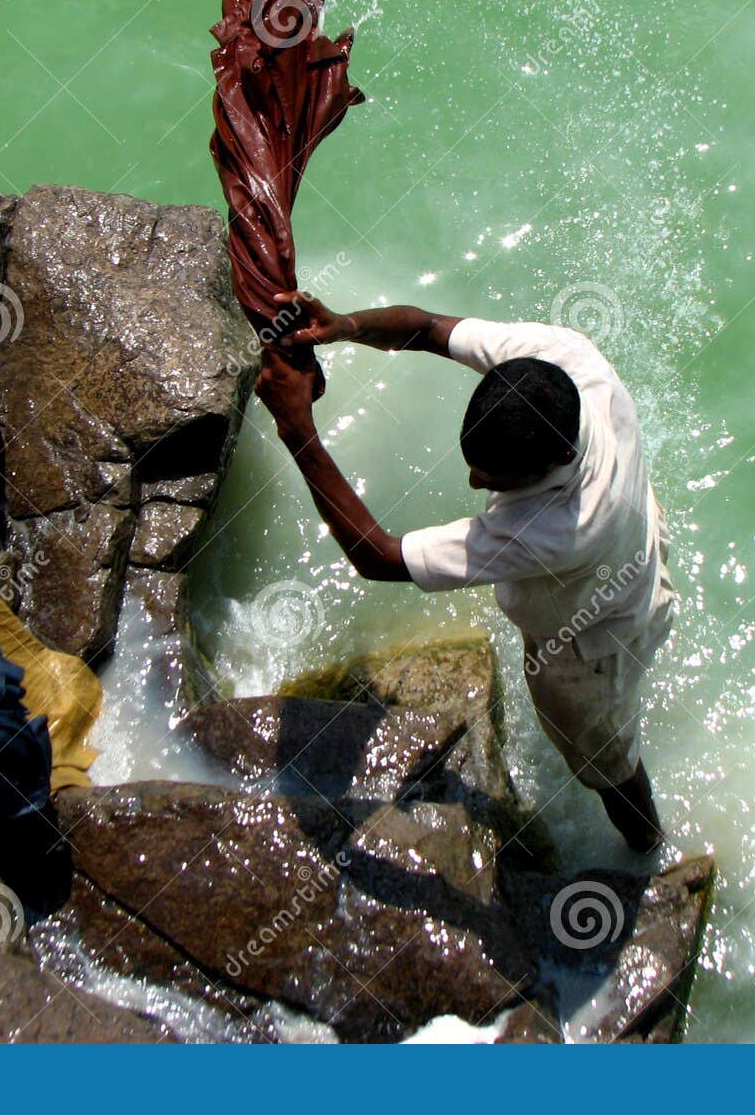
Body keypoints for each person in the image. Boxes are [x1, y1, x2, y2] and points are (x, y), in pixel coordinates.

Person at [253, 292, 676, 852]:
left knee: (608, 764)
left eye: (493, 478)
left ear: (550, 465)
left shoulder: (564, 528)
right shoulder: (567, 360)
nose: (475, 485)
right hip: (638, 543)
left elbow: (377, 558)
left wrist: (295, 427)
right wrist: (343, 326)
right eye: (473, 464)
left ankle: (646, 848)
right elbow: (427, 327)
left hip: (595, 644)